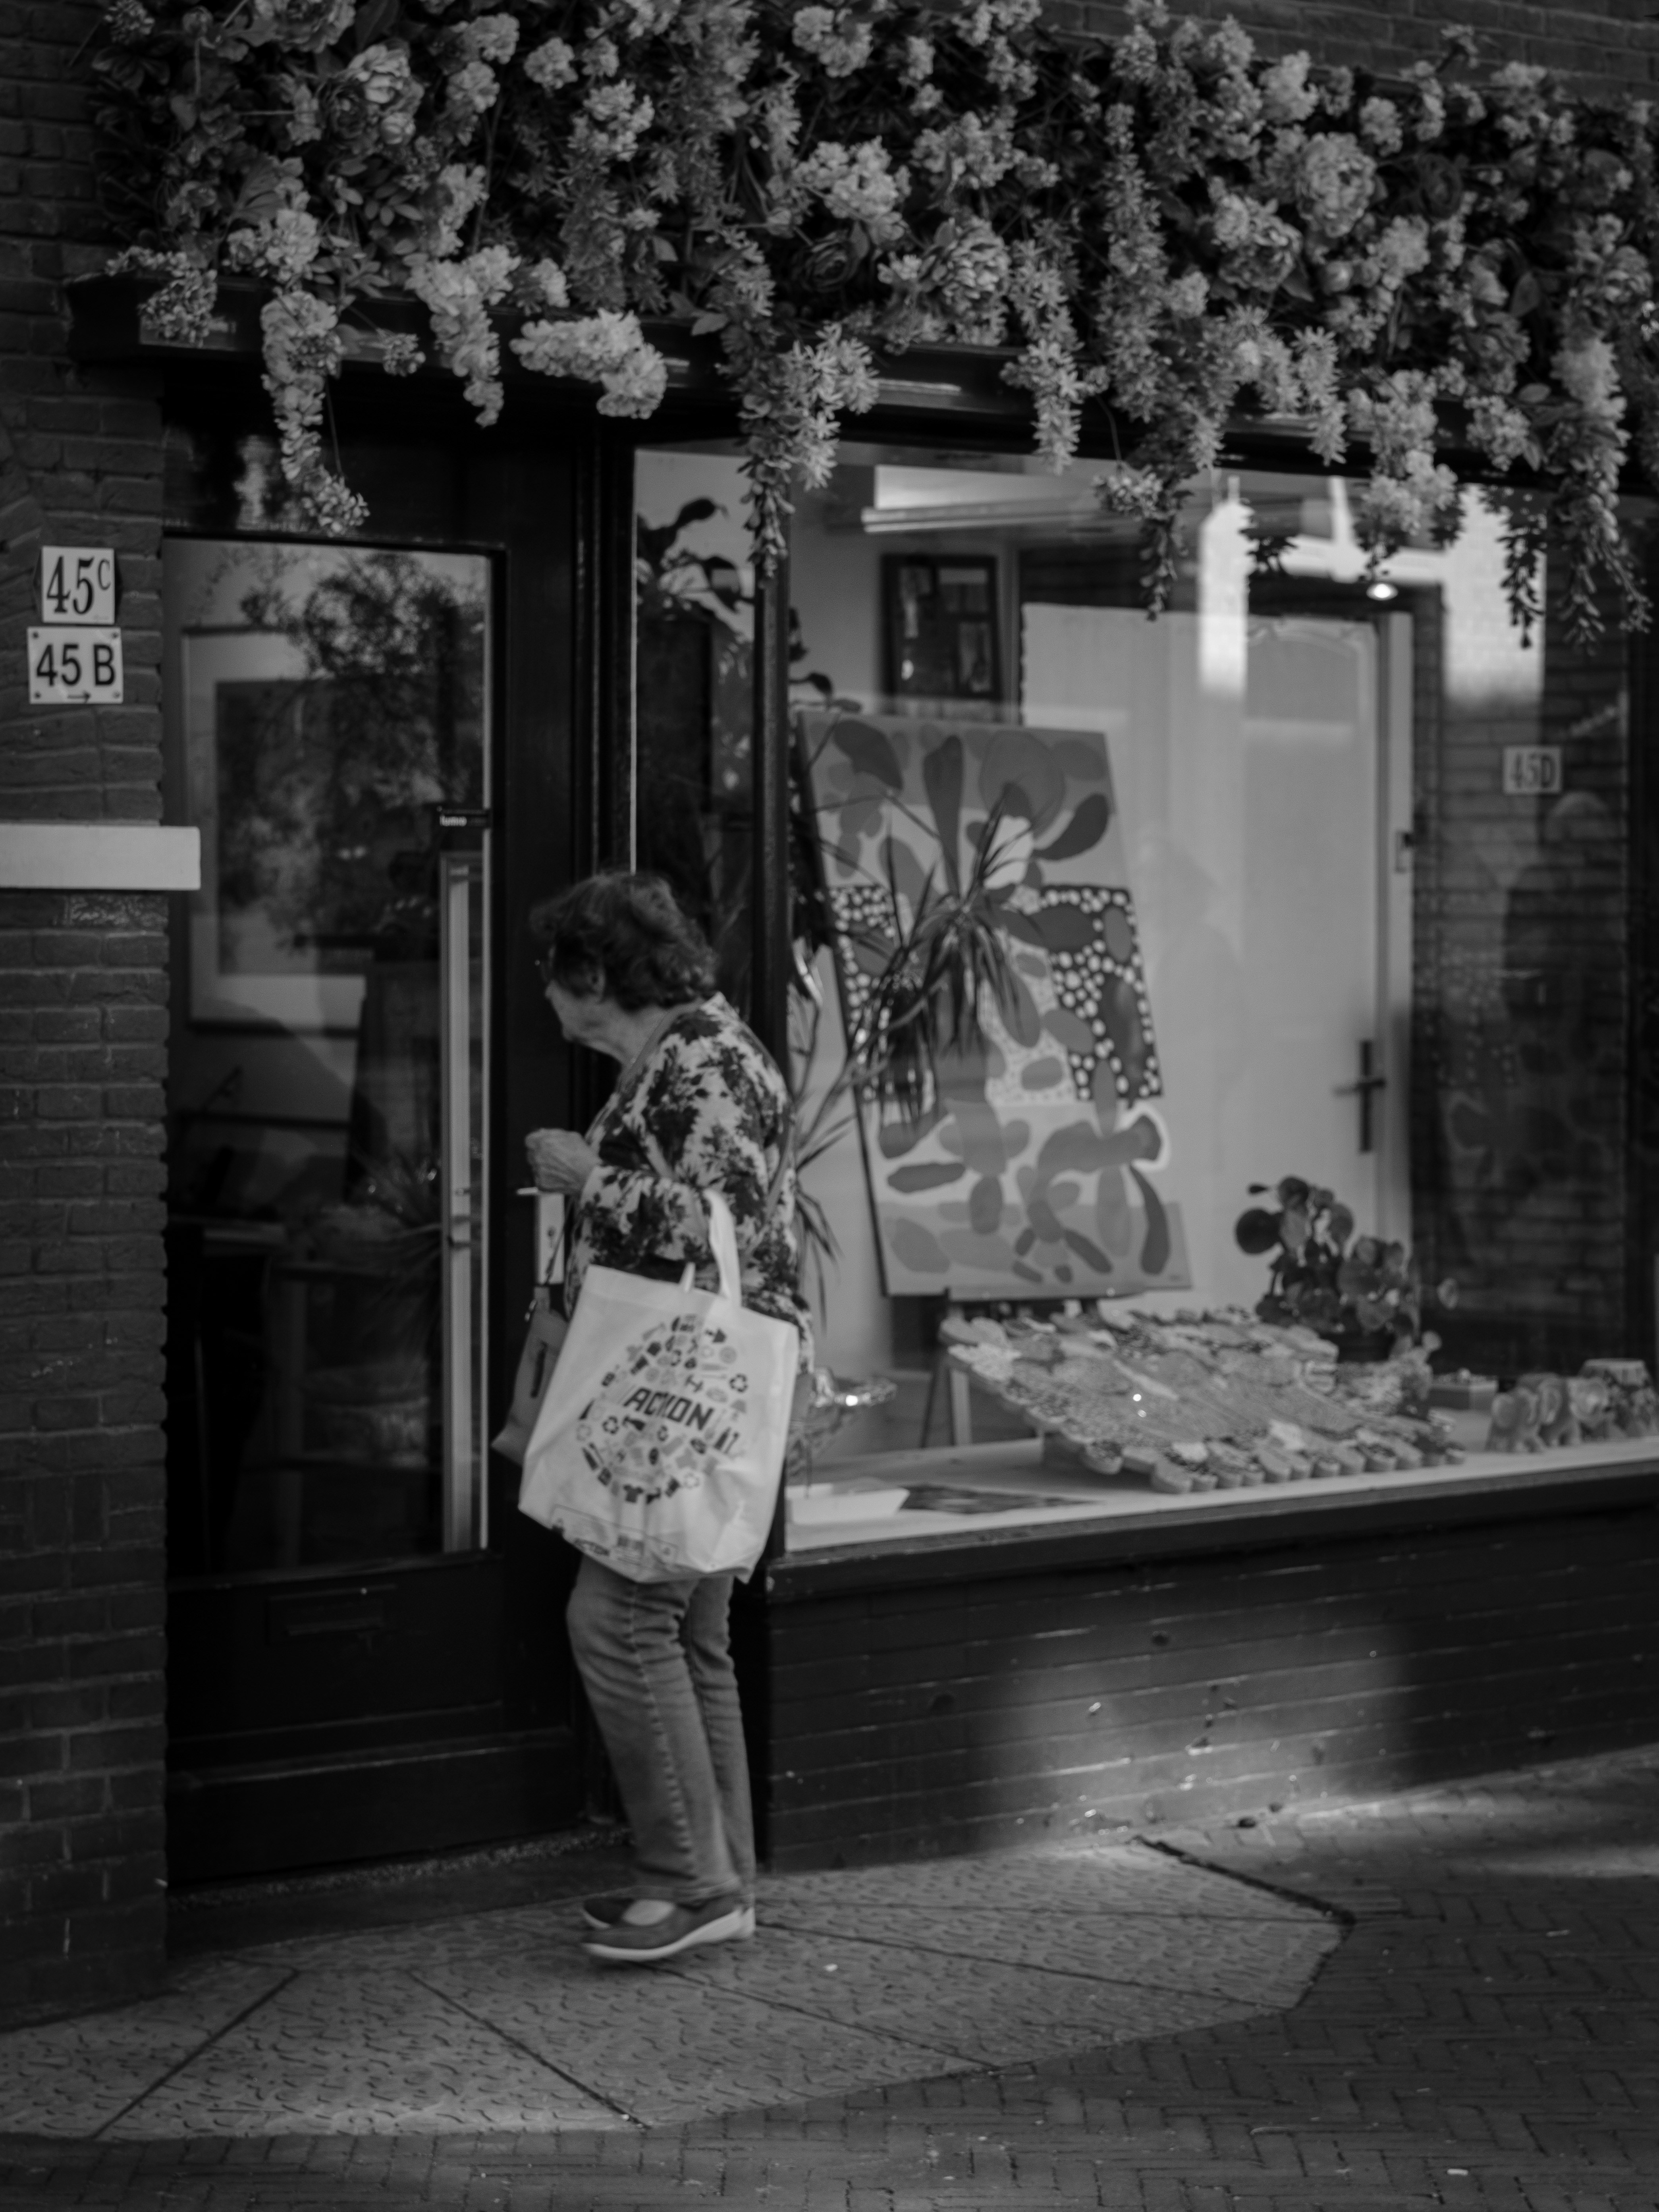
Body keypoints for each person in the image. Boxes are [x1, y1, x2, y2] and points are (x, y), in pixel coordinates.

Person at [524, 871, 808, 1965]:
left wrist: (586, 1176)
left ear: (594, 977)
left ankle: (690, 1879)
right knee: (687, 1633)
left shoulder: (705, 1059)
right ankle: (719, 1876)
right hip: (696, 1389)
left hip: (689, 1392)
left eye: (556, 978)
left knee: (616, 1621)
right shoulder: (693, 1053)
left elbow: (723, 1227)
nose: (548, 1001)